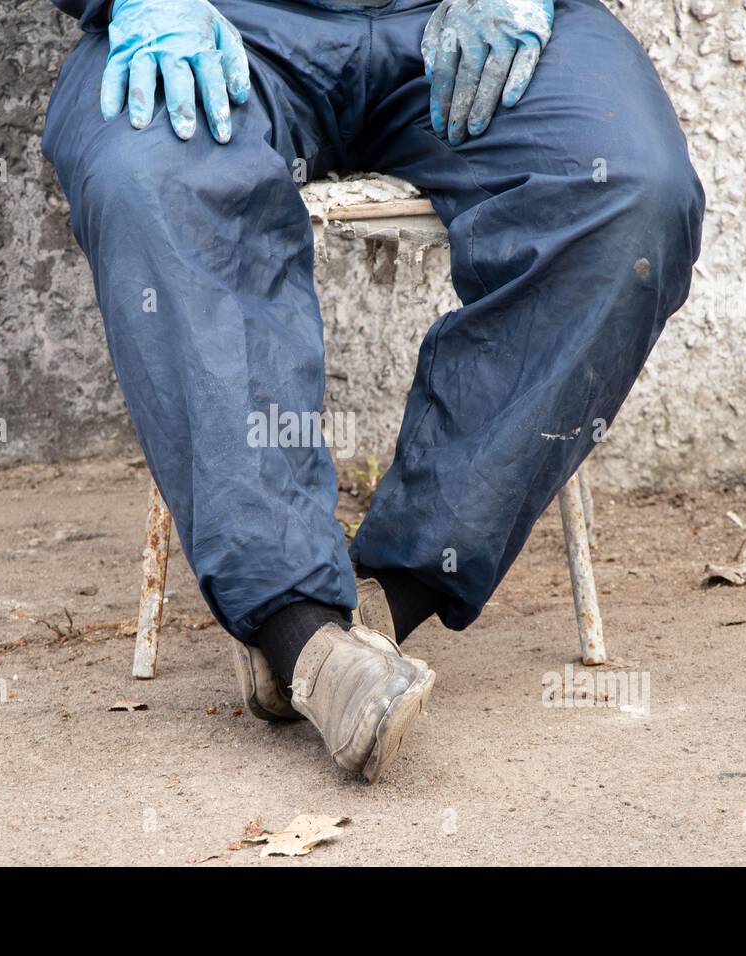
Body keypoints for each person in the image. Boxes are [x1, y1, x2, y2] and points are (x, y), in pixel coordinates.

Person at [42, 0, 704, 781]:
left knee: (633, 193)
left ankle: (383, 599)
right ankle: (300, 630)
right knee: (145, 175)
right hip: (225, 24)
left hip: (459, 19)